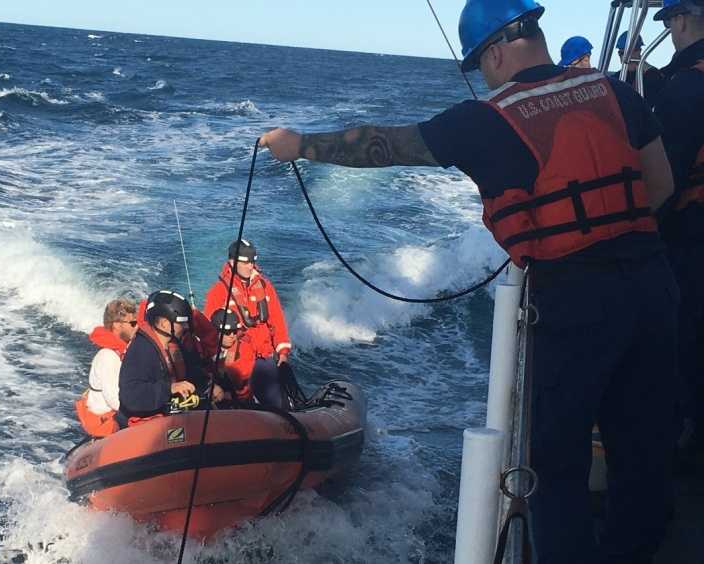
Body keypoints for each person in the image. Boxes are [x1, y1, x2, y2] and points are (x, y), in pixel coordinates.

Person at [259, 1, 679, 561]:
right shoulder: (617, 93)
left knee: (557, 465)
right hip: (654, 286)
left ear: (497, 52)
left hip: (578, 303)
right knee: (643, 452)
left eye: (480, 64)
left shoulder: (486, 119)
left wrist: (301, 145)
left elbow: (385, 144)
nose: (484, 76)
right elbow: (662, 184)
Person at [653, 0, 704, 459]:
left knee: (684, 340)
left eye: (668, 22)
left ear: (681, 20)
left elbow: (664, 181)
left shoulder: (687, 88)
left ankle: (683, 445)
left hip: (690, 240)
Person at [204, 240, 292, 409]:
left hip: (264, 358)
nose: (250, 266)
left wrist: (283, 353)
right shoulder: (218, 292)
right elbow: (210, 331)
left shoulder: (265, 287)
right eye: (245, 262)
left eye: (252, 261)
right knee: (239, 405)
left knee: (279, 406)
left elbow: (277, 321)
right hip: (236, 360)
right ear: (232, 262)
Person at [119, 290, 222, 426]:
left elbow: (191, 371)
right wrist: (169, 389)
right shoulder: (141, 350)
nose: (186, 327)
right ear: (164, 324)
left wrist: (209, 386)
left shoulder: (175, 344)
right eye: (181, 323)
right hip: (147, 424)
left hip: (176, 414)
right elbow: (130, 396)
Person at [74, 299, 138, 437]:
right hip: (109, 423)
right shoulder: (108, 357)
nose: (137, 327)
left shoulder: (126, 353)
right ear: (117, 325)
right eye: (133, 323)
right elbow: (115, 401)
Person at [210, 309, 257, 404]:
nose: (232, 336)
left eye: (234, 331)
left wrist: (230, 395)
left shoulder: (244, 350)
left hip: (238, 401)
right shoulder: (205, 349)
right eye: (227, 332)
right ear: (216, 332)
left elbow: (241, 377)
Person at [611, 32, 666, 107]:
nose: (627, 57)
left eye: (631, 52)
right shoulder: (615, 79)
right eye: (622, 53)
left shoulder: (652, 77)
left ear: (639, 51)